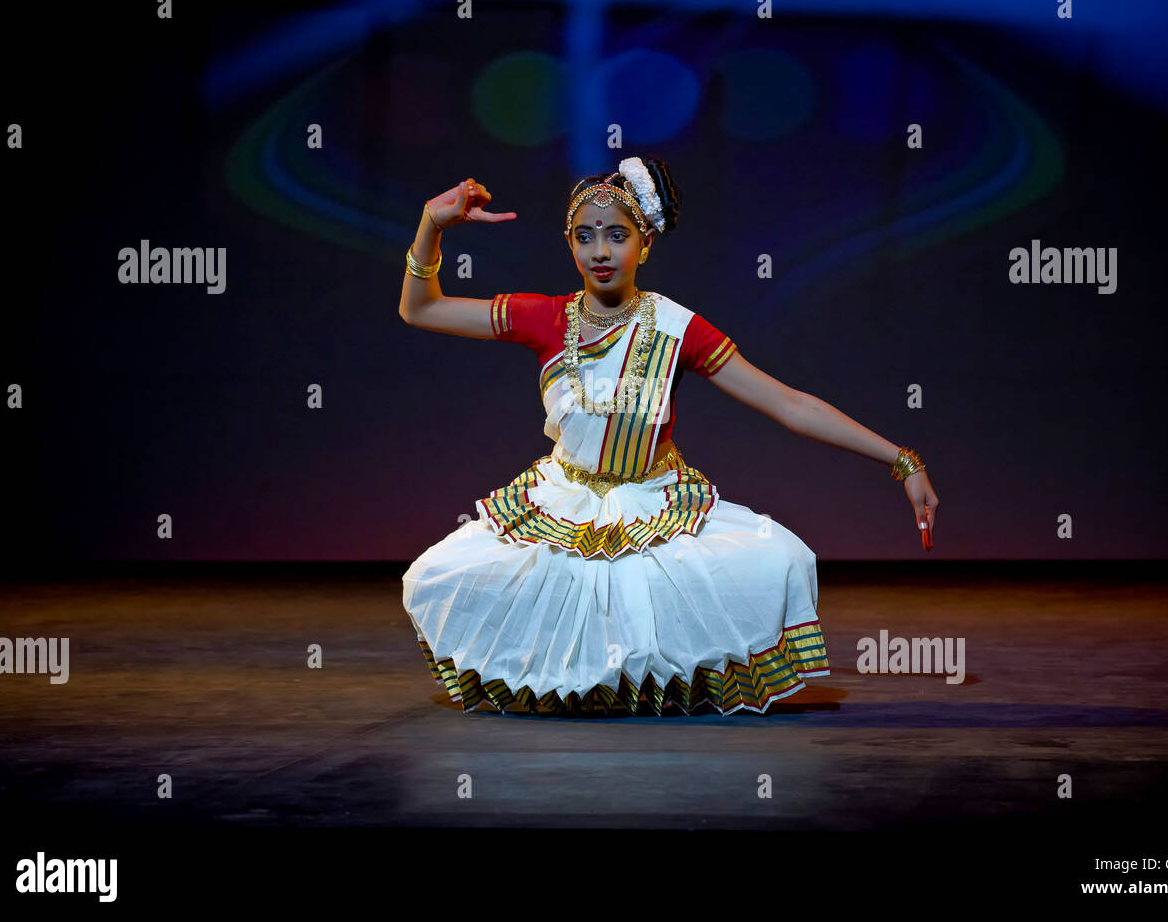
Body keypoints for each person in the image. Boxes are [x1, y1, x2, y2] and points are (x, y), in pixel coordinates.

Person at [398, 156, 939, 717]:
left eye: (616, 236)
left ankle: (638, 684)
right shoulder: (546, 318)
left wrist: (900, 459)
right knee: (436, 576)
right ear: (570, 245)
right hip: (561, 501)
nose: (600, 252)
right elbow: (422, 308)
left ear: (646, 243)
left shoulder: (678, 329)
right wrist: (431, 225)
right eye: (585, 238)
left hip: (654, 503)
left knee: (779, 561)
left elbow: (788, 403)